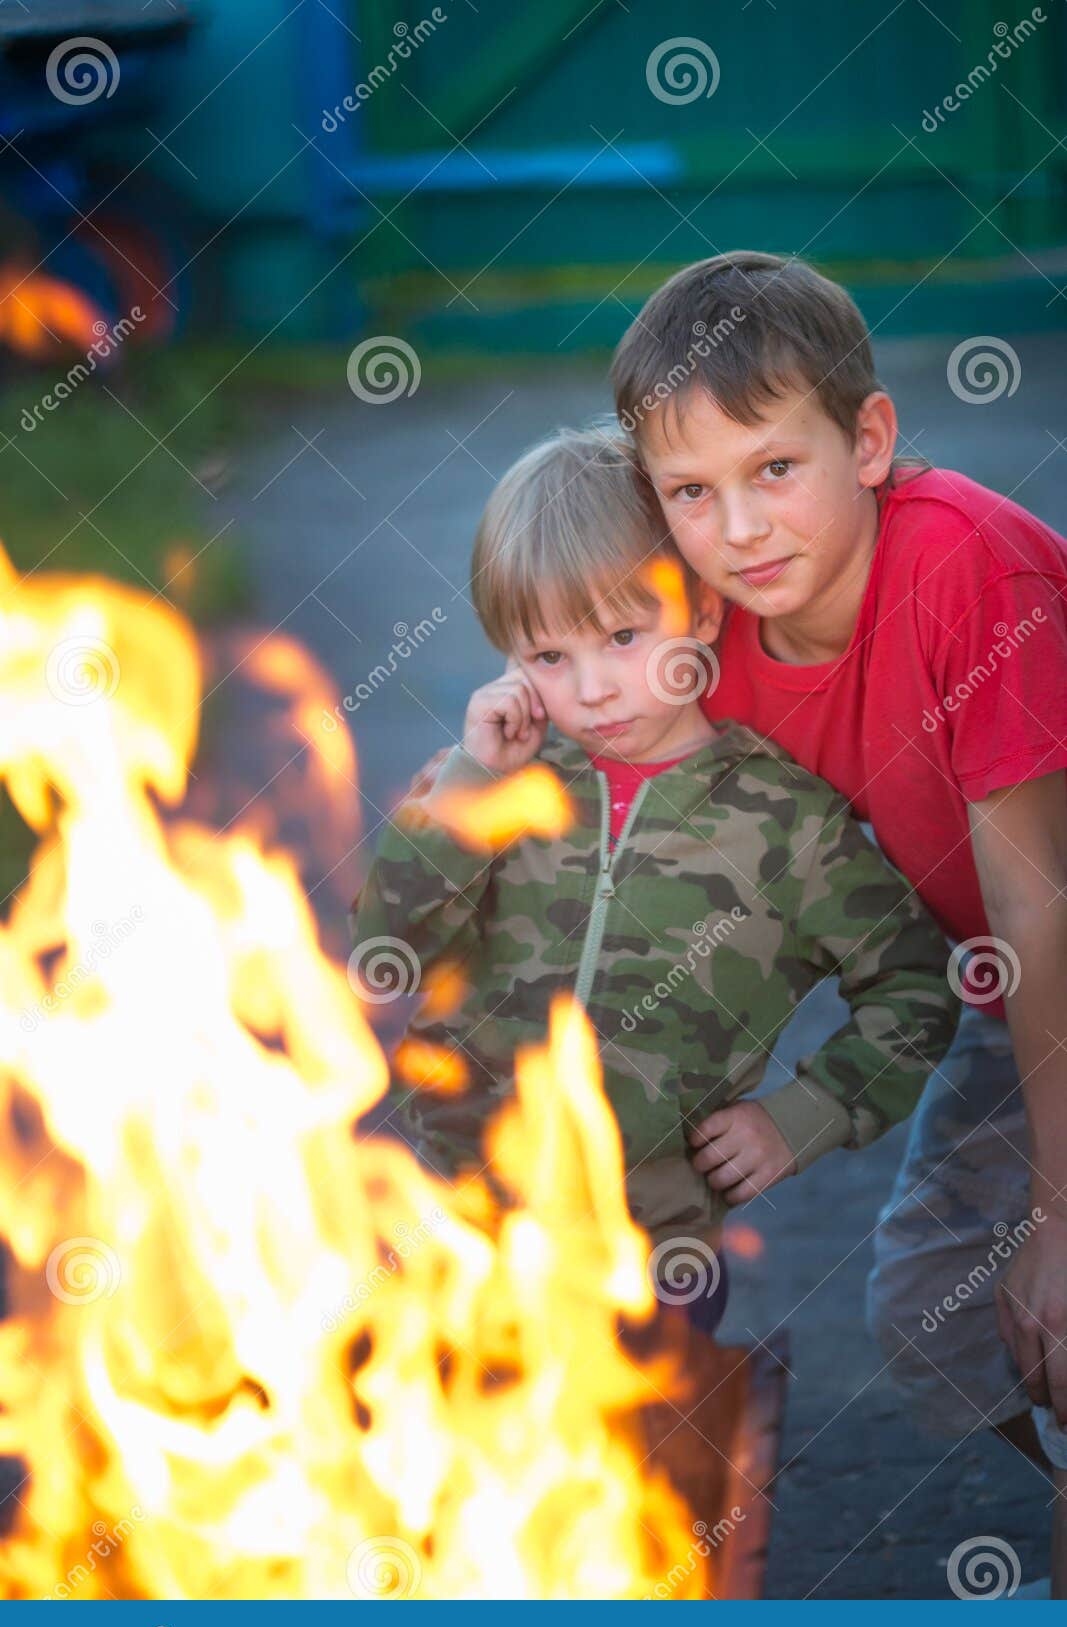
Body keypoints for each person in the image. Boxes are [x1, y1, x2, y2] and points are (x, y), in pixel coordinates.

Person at [611, 249, 1067, 1591]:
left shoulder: (962, 568)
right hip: (1008, 987)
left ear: (867, 440)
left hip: (1041, 950)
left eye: (772, 468)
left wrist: (1058, 1210)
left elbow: (1032, 902)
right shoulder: (714, 640)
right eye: (690, 492)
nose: (739, 528)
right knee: (930, 1311)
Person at [348, 427, 960, 1340]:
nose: (592, 689)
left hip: (652, 1259)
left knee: (656, 1437)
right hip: (455, 1241)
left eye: (624, 638)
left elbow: (916, 985)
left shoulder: (786, 822)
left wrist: (807, 1112)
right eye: (548, 657)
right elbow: (383, 954)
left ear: (703, 613)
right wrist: (467, 789)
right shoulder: (484, 787)